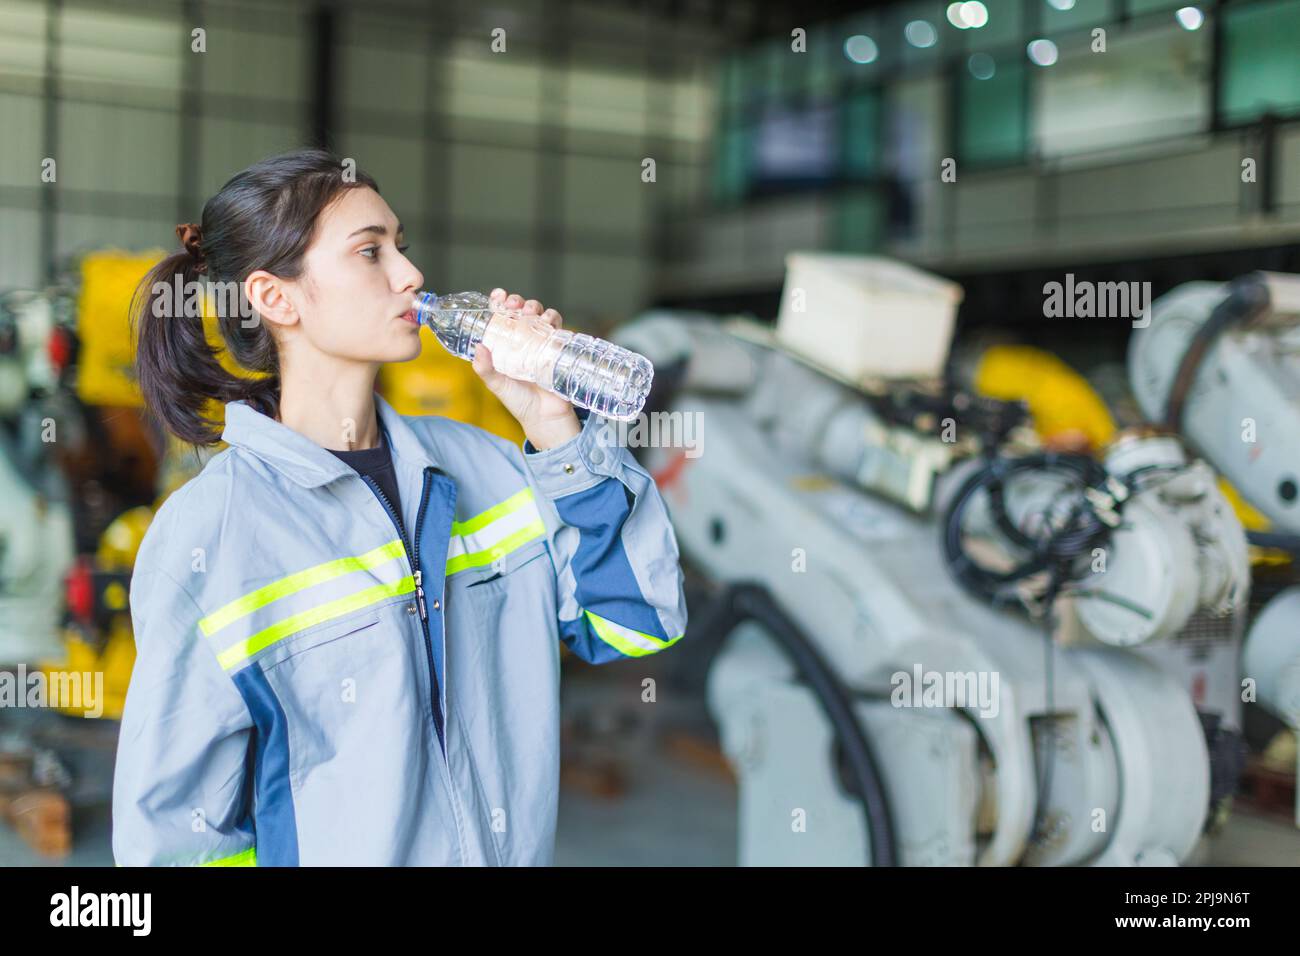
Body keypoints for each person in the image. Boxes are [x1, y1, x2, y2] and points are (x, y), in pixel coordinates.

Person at [113, 148, 688, 866]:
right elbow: (176, 834)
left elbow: (635, 625)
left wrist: (553, 428)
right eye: (369, 252)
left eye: (401, 247)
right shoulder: (212, 534)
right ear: (275, 297)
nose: (411, 275)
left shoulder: (488, 467)